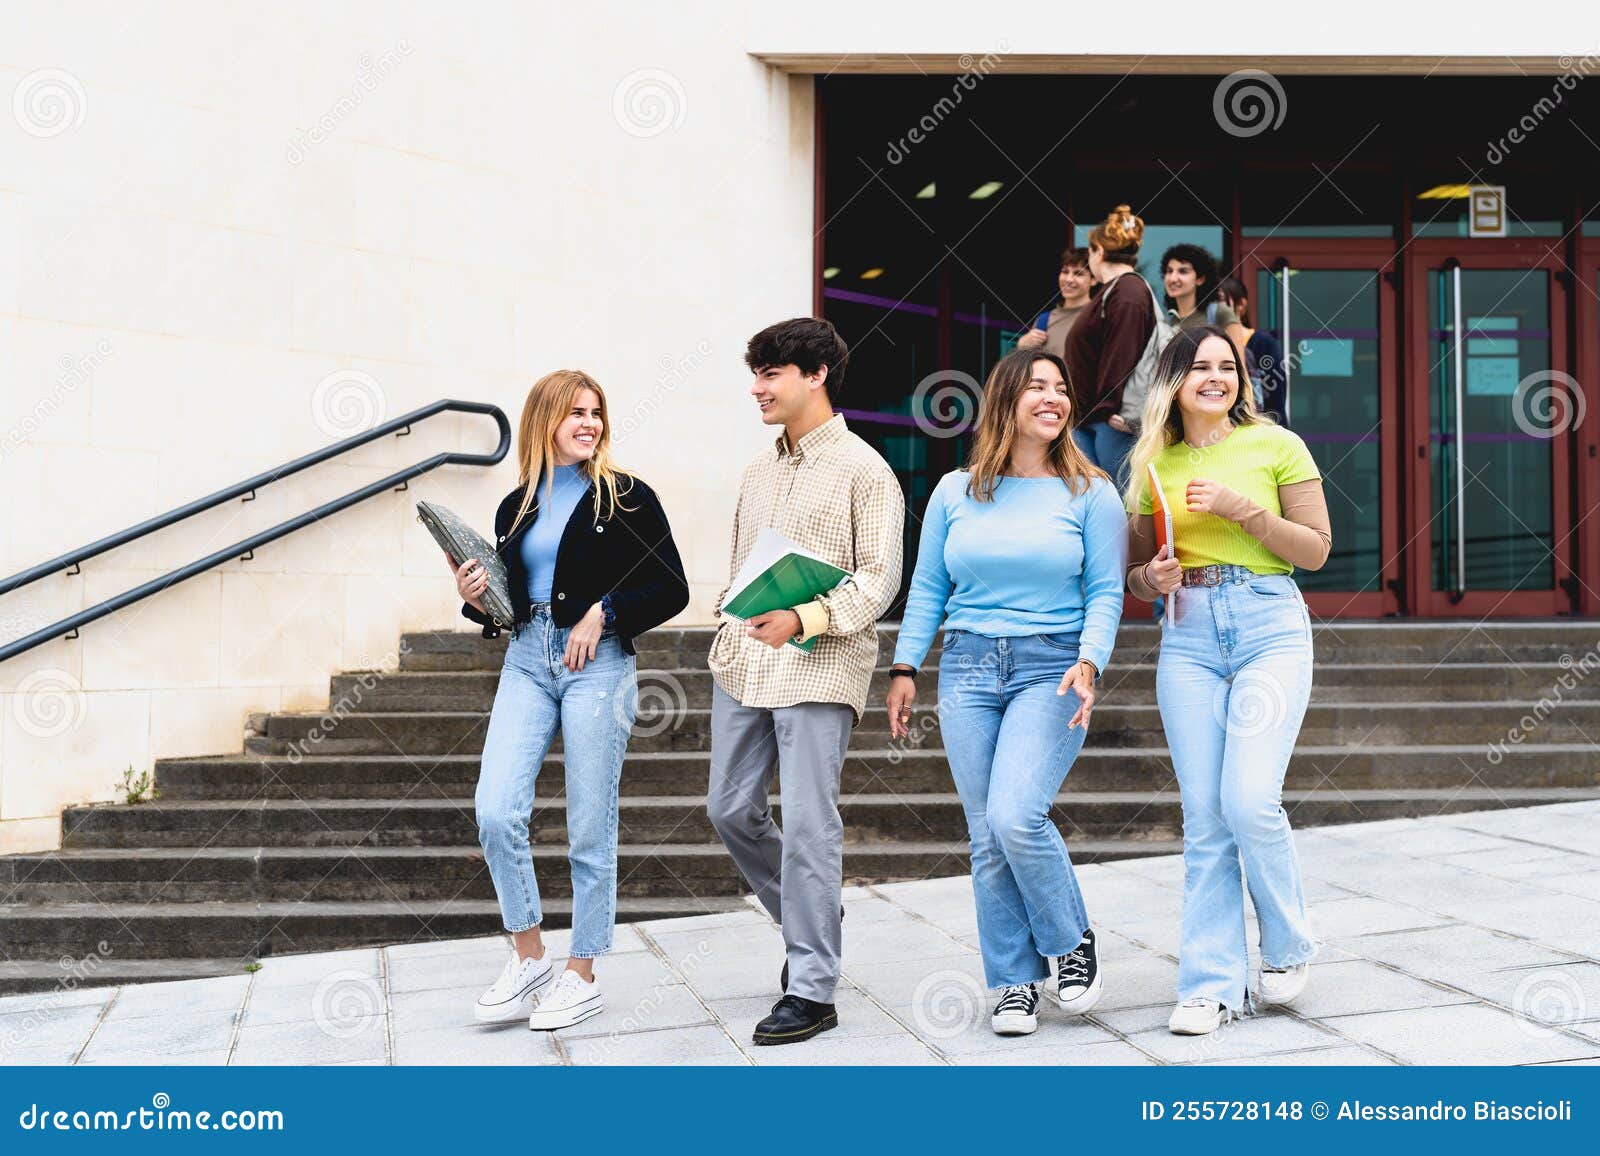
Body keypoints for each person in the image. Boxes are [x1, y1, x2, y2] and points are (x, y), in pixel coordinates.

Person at [887, 347, 1126, 1037]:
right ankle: (1013, 981)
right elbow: (929, 587)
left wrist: (1091, 661)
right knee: (986, 831)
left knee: (1017, 814)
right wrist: (905, 668)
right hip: (965, 666)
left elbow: (1106, 590)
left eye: (1060, 388)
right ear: (1006, 402)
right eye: (1036, 387)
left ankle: (1069, 940)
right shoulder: (955, 491)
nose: (1051, 397)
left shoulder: (1092, 492)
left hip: (1050, 666)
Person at [450, 369, 689, 1031]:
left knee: (589, 823)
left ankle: (582, 971)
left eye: (596, 412)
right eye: (575, 412)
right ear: (544, 420)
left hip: (598, 667)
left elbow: (673, 588)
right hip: (526, 658)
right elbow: (506, 606)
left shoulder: (627, 498)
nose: (590, 423)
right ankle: (529, 957)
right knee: (495, 810)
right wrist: (478, 600)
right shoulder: (514, 506)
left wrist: (604, 612)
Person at [1121, 326, 1331, 1036]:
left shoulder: (1277, 445)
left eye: (1228, 367)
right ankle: (1210, 984)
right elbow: (1136, 572)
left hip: (1270, 623)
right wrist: (1151, 577)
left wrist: (1243, 510)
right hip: (1187, 634)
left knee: (1247, 800)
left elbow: (1316, 550)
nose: (1217, 377)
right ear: (1174, 381)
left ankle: (1288, 943)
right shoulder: (1153, 462)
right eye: (1201, 367)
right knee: (1204, 818)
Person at [706, 317, 905, 1046]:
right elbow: (738, 566)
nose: (757, 389)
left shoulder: (865, 468)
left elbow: (881, 579)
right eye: (756, 374)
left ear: (816, 375)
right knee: (728, 809)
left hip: (821, 665)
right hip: (745, 662)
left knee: (811, 825)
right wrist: (733, 619)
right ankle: (810, 915)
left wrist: (807, 616)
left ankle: (813, 987)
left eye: (771, 374)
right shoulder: (758, 471)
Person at [1062, 204, 1161, 487]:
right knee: (1098, 506)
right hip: (1095, 421)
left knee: (1119, 510)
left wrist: (1107, 410)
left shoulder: (1127, 291)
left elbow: (1122, 355)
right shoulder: (1114, 291)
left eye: (1090, 253)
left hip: (1109, 423)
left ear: (1099, 252)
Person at [1215, 276, 1287, 422]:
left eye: (1221, 300)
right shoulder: (1205, 345)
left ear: (1241, 304)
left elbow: (1276, 396)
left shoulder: (1263, 342)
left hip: (1258, 429)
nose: (1216, 308)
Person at [1016, 246, 1093, 360]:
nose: (1069, 279)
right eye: (1065, 271)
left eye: (1078, 274)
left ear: (1094, 279)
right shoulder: (1044, 320)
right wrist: (1022, 347)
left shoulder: (1099, 316)